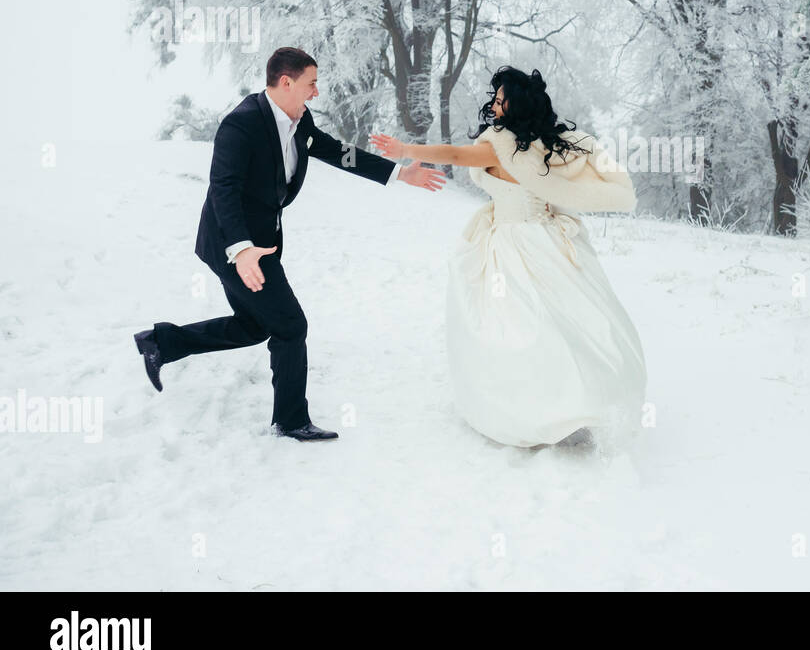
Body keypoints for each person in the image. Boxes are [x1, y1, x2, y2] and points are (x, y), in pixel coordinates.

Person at [133, 47, 445, 440]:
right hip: (233, 245)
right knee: (291, 326)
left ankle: (160, 342)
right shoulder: (241, 125)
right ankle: (291, 420)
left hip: (261, 244)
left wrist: (399, 174)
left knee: (255, 325)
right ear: (286, 82)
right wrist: (241, 250)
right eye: (311, 83)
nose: (316, 92)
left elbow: (337, 152)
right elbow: (222, 190)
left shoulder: (300, 120)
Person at [369, 66, 645, 450]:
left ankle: (538, 409)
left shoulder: (499, 144)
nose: (495, 106)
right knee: (562, 320)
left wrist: (406, 151)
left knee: (518, 323)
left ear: (517, 107)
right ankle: (571, 400)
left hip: (514, 242)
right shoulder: (546, 144)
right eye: (495, 99)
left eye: (502, 101)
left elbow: (452, 154)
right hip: (548, 236)